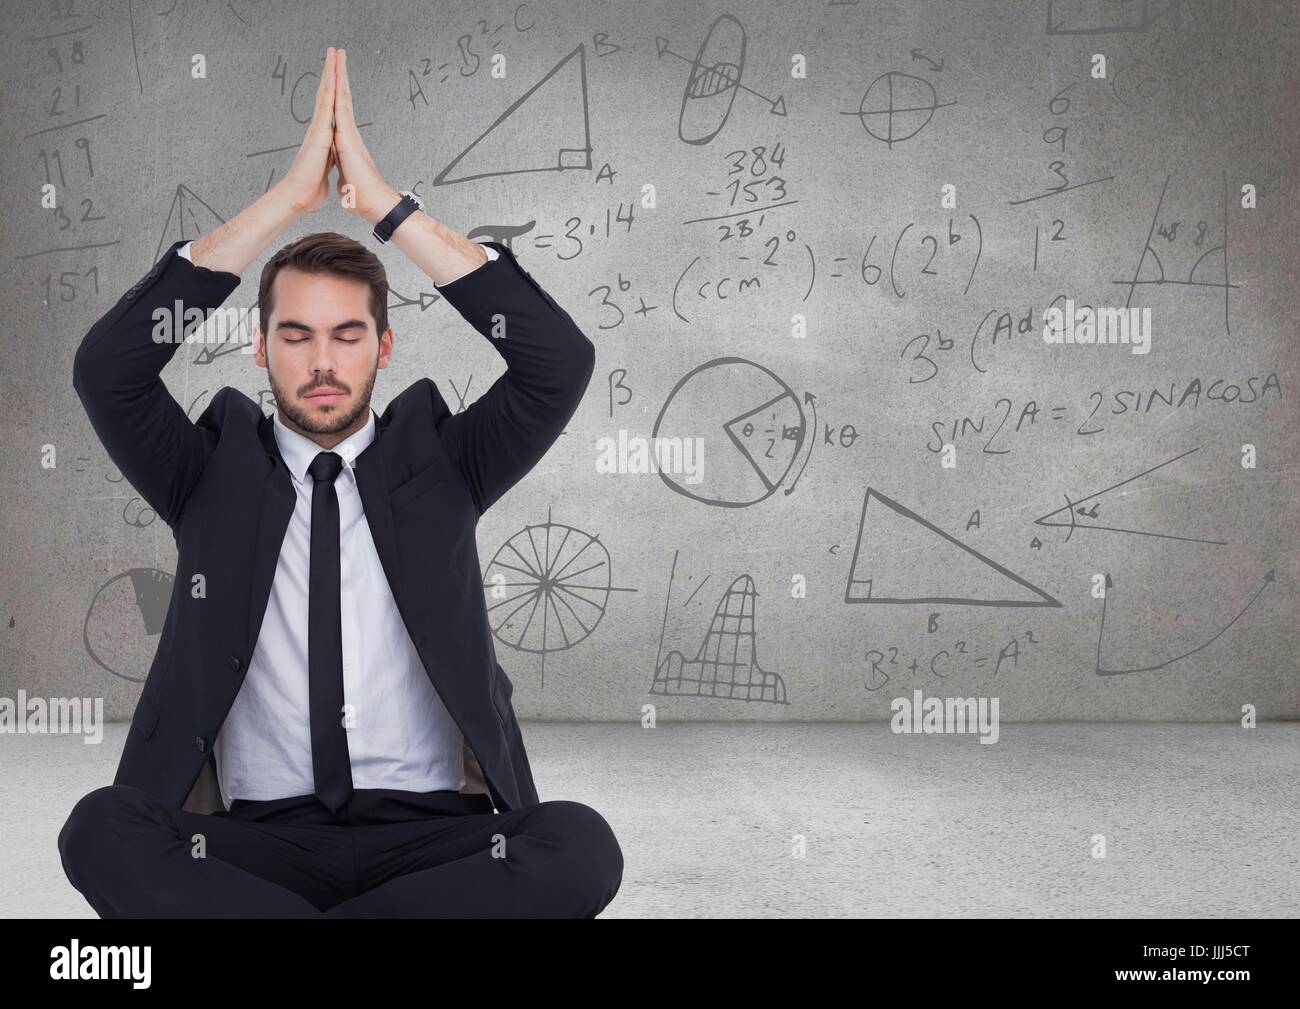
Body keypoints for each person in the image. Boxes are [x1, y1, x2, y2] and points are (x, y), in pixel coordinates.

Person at [57, 47, 621, 918]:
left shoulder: (447, 464)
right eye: (296, 334)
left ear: (384, 348)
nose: (322, 362)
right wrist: (284, 202)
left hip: (440, 834)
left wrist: (387, 211)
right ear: (260, 345)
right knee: (100, 829)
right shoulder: (205, 473)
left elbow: (557, 362)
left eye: (348, 335)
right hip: (256, 838)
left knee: (579, 845)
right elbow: (108, 370)